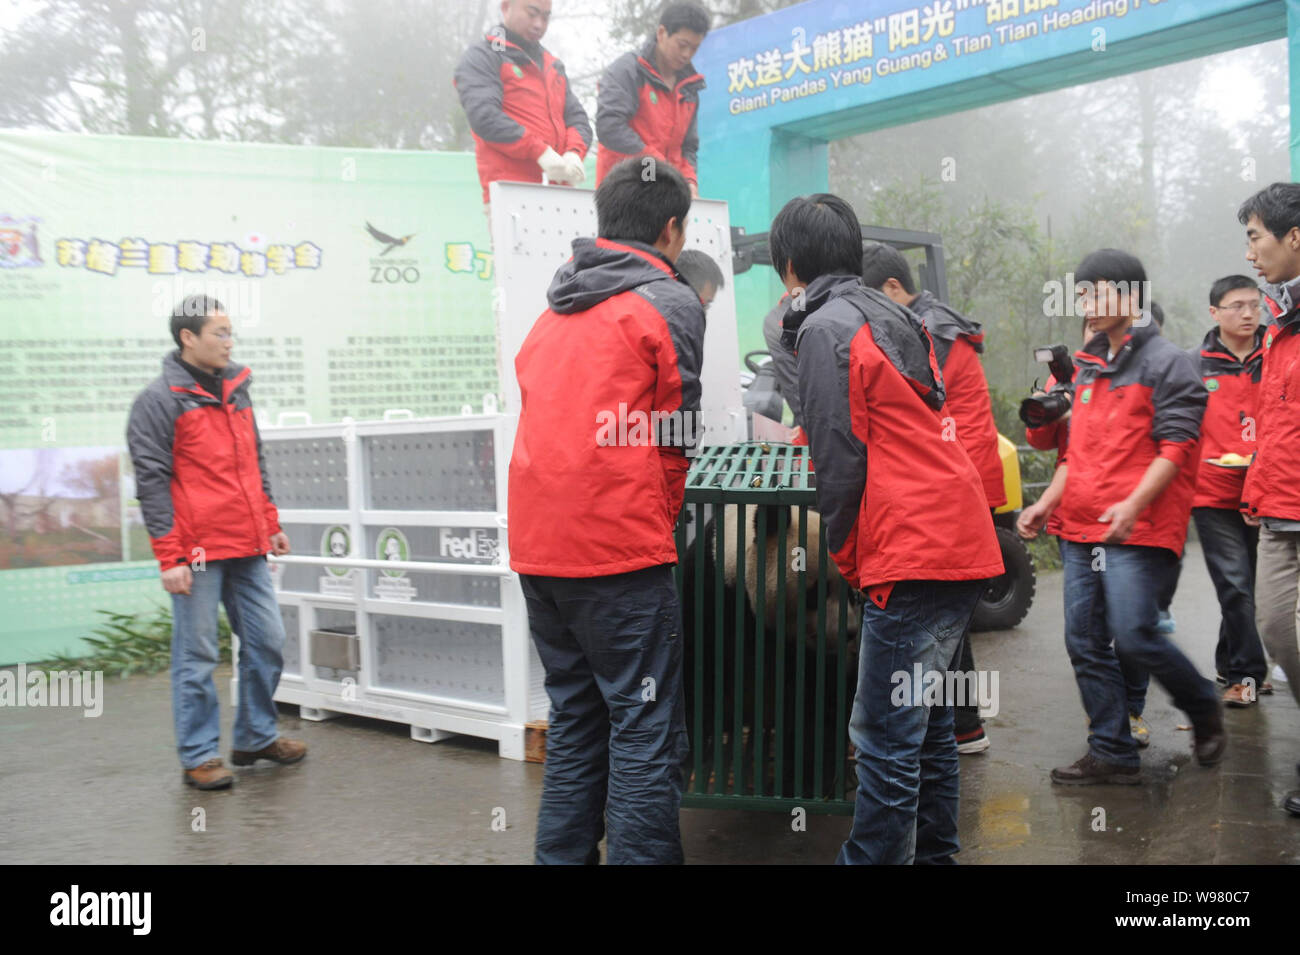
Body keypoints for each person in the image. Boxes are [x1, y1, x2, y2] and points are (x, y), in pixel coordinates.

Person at [770, 192, 1003, 864]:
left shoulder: (821, 328)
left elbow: (836, 452)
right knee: (925, 729)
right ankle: (934, 855)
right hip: (954, 529)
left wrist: (846, 549)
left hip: (914, 544)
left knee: (883, 735)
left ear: (789, 264)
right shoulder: (892, 314)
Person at [507, 158, 705, 862]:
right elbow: (678, 435)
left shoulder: (551, 311)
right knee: (645, 722)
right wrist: (660, 521)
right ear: (671, 228)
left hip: (539, 549)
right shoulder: (667, 301)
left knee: (577, 714)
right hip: (617, 550)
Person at [1018, 249, 1222, 784]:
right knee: (1083, 642)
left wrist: (1133, 503)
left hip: (1140, 528)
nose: (1084, 303)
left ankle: (1201, 702)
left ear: (1132, 296)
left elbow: (1177, 446)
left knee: (1132, 635)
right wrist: (1046, 503)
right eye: (1080, 293)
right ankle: (1111, 750)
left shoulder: (1168, 363)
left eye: (1095, 291)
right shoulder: (1088, 366)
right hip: (1080, 526)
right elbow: (1075, 455)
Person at [126, 296, 304, 791]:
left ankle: (254, 736)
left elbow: (254, 462)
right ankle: (200, 755)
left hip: (247, 544)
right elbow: (152, 483)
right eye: (219, 333)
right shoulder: (159, 401)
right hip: (197, 552)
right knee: (198, 656)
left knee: (268, 641)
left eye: (231, 333)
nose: (229, 342)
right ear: (188, 337)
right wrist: (171, 557)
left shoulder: (237, 390)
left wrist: (270, 521)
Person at [861, 242, 1003, 755]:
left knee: (946, 618)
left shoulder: (928, 332)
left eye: (871, 299)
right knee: (949, 618)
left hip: (958, 481)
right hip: (964, 475)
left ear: (894, 290)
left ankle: (960, 725)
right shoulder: (933, 324)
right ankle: (959, 727)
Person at [1238, 183, 1300, 817]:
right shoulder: (1278, 323)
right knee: (1277, 629)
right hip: (1280, 508)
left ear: (1294, 237)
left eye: (1257, 236)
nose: (1252, 253)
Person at [1187, 276, 1270, 706]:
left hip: (1267, 488)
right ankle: (1247, 676)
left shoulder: (1275, 356)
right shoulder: (1193, 363)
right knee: (1234, 583)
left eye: (1255, 305)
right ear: (1215, 312)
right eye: (1237, 305)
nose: (1249, 313)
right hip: (1212, 491)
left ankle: (1230, 660)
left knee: (1250, 586)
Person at [453, 0, 593, 209]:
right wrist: (539, 151)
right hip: (510, 194)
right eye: (532, 13)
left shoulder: (553, 65)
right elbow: (485, 116)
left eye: (545, 17)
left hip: (562, 194)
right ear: (506, 7)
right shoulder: (483, 55)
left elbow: (578, 118)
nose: (539, 24)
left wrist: (574, 152)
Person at [595, 2, 709, 196]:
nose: (686, 54)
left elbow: (688, 146)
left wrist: (689, 181)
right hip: (624, 190)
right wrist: (656, 165)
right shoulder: (628, 71)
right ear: (662, 33)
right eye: (682, 45)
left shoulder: (690, 88)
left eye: (694, 48)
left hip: (667, 192)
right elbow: (609, 128)